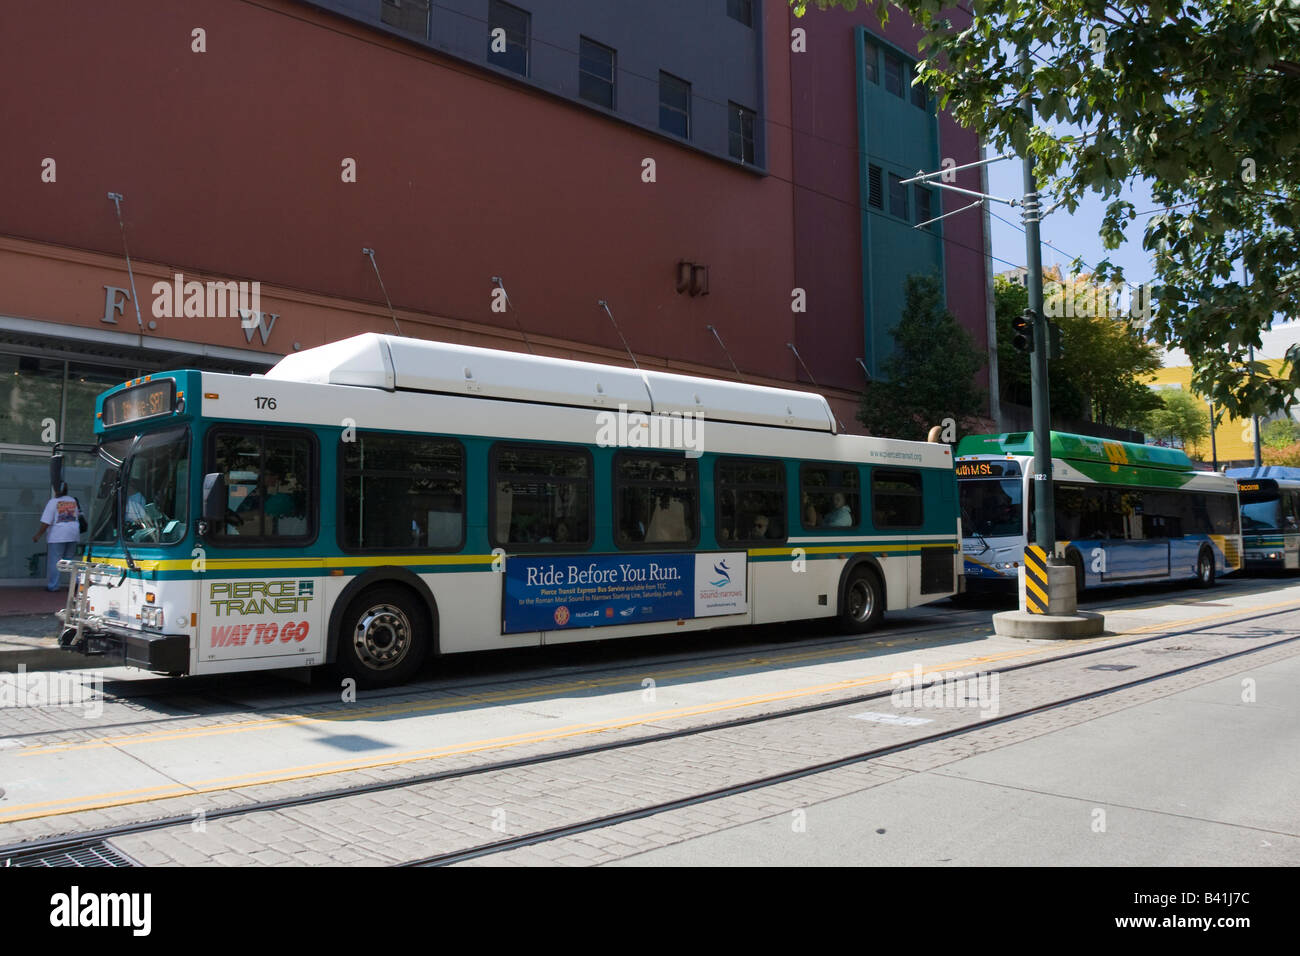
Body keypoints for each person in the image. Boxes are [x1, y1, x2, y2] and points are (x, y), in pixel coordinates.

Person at [33, 482, 82, 592]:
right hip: (73, 534)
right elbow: (77, 515)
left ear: (55, 490)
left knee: (55, 561)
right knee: (70, 561)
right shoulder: (72, 500)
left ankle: (53, 585)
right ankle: (77, 584)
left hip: (58, 536)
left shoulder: (53, 502)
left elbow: (46, 522)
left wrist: (38, 535)